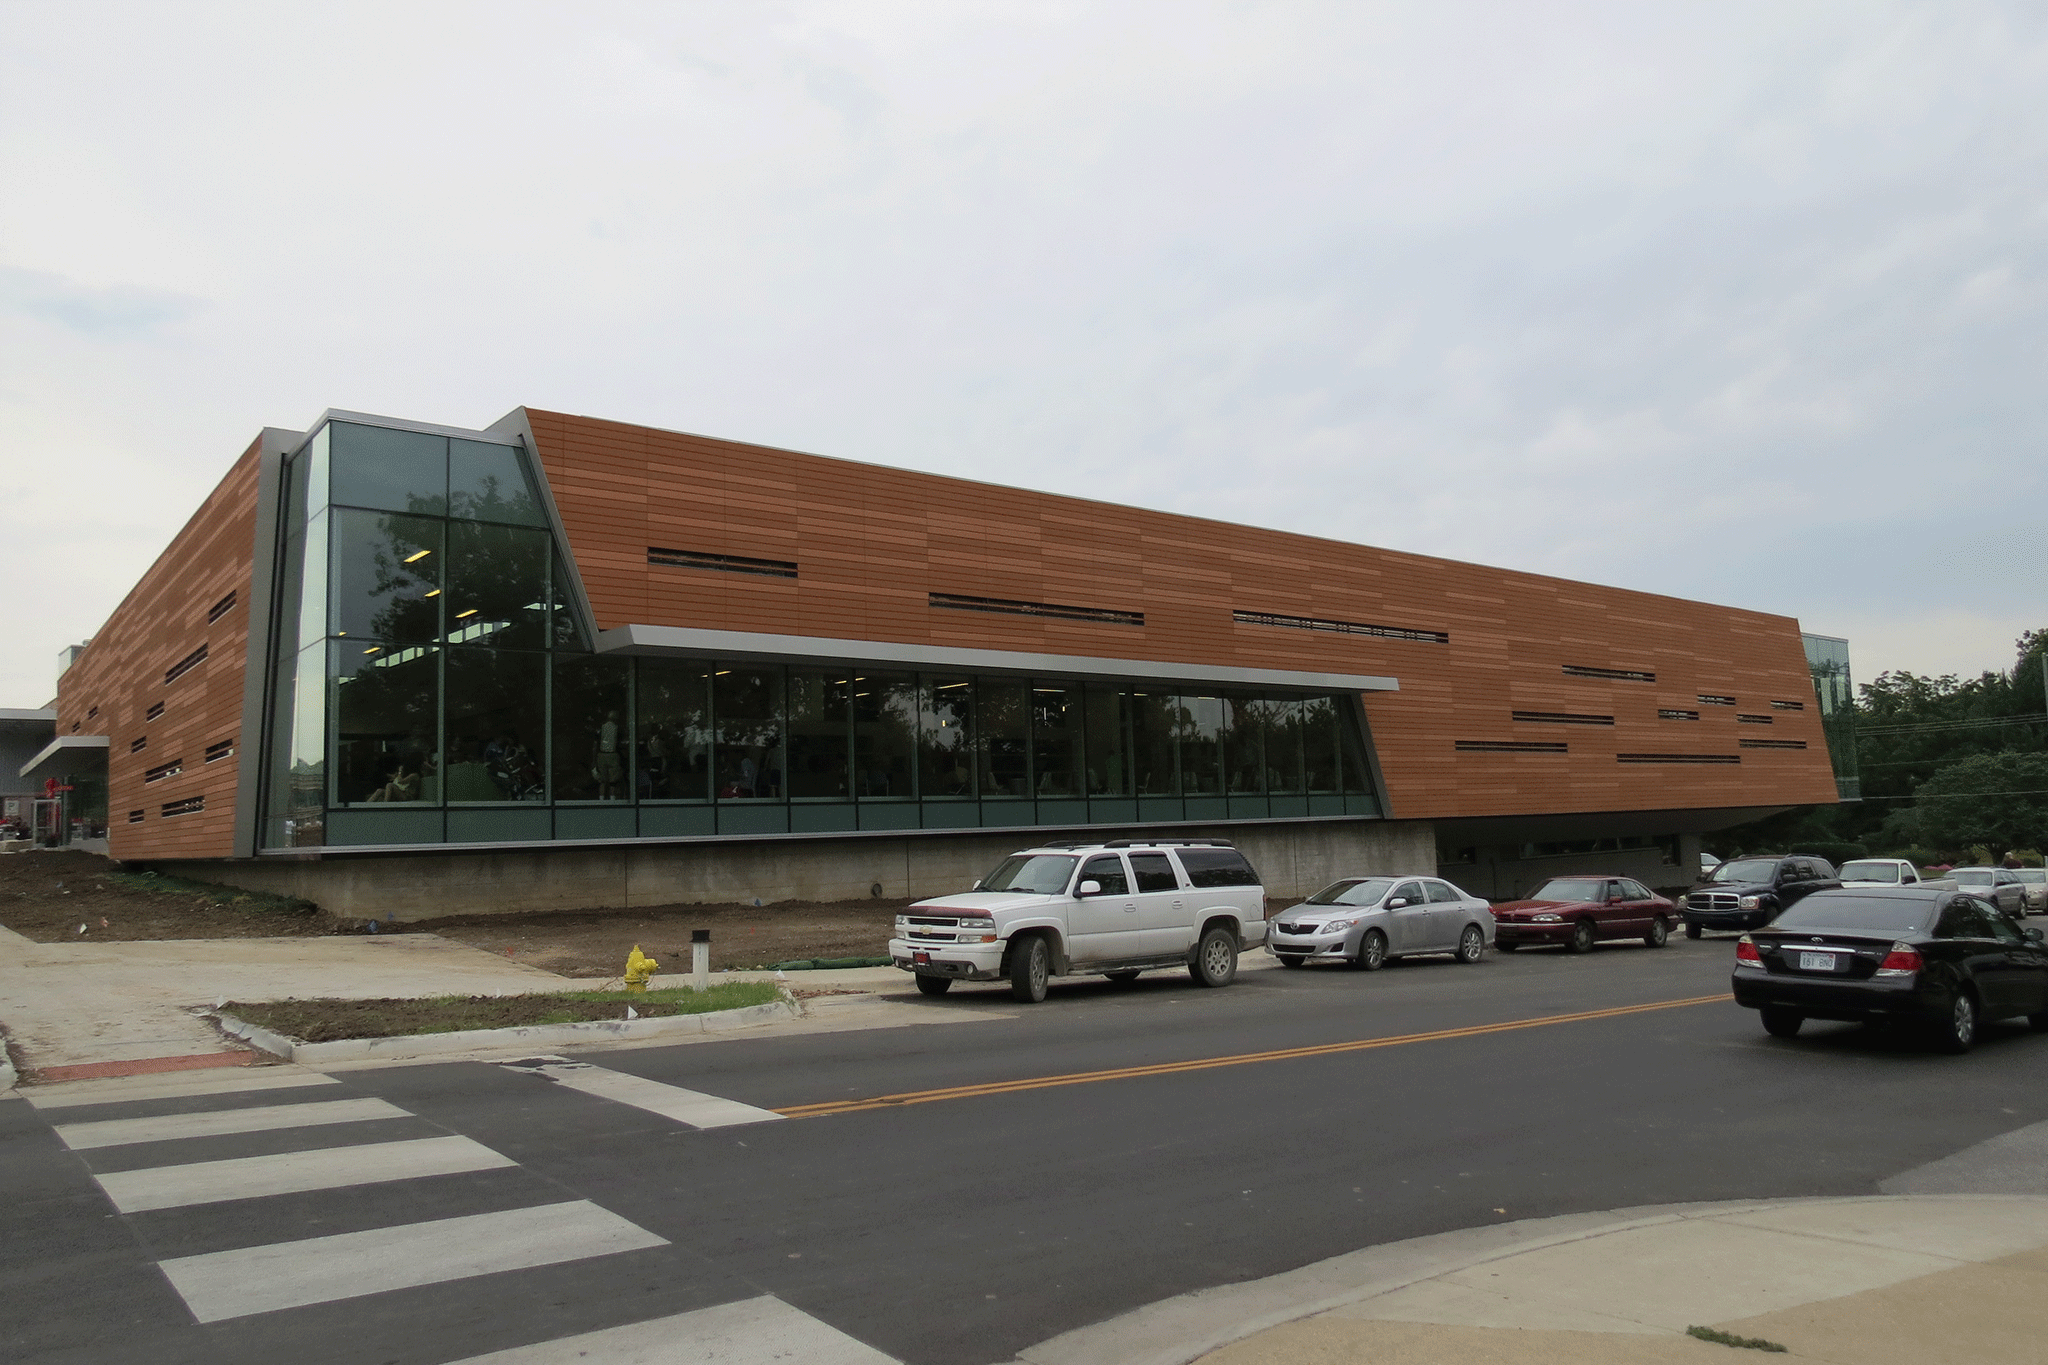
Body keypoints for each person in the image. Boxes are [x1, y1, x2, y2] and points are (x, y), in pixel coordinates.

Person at [593, 710, 624, 800]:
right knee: (613, 780)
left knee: (602, 780)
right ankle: (612, 800)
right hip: (613, 754)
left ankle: (601, 800)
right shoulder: (617, 728)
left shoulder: (601, 728)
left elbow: (596, 744)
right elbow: (621, 742)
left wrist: (594, 759)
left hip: (602, 754)